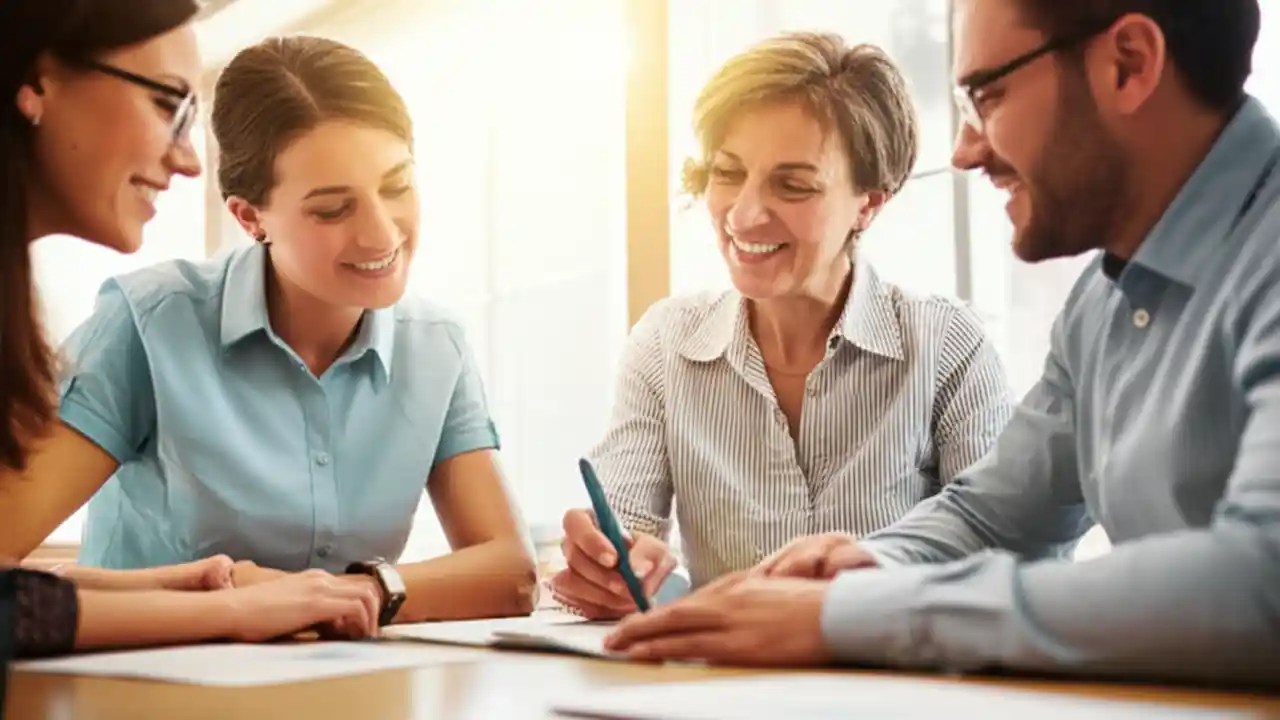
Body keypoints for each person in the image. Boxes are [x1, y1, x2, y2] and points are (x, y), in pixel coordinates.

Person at [604, 0, 1280, 687]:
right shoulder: (1101, 305)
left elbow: (1264, 580)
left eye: (988, 94)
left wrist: (851, 616)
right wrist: (864, 568)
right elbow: (997, 516)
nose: (964, 149)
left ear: (1129, 65)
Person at [0, 34, 538, 627]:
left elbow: (510, 572)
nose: (382, 234)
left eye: (396, 186)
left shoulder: (436, 346)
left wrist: (349, 593)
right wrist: (245, 606)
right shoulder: (148, 324)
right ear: (250, 217)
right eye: (332, 209)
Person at [552, 32, 1013, 619]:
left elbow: (1004, 563)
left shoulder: (947, 346)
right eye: (727, 173)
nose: (743, 214)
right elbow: (626, 535)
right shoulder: (666, 342)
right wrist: (610, 569)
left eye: (792, 185)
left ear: (870, 203)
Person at [0, 0, 383, 671]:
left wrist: (159, 586)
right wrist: (228, 611)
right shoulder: (149, 317)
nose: (186, 159)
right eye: (167, 104)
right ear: (38, 81)